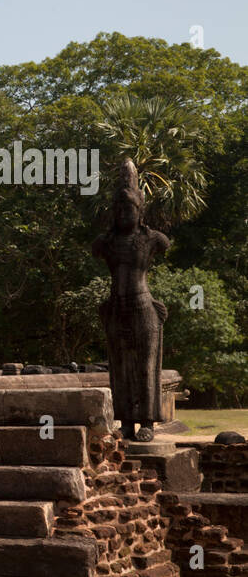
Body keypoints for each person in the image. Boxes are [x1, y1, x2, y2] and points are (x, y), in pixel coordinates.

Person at [91, 158, 170, 442]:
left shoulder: (152, 240)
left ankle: (147, 420)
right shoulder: (106, 242)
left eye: (131, 208)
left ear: (141, 211)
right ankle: (125, 421)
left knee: (146, 367)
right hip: (115, 308)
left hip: (143, 307)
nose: (125, 213)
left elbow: (165, 245)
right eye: (120, 208)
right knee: (120, 366)